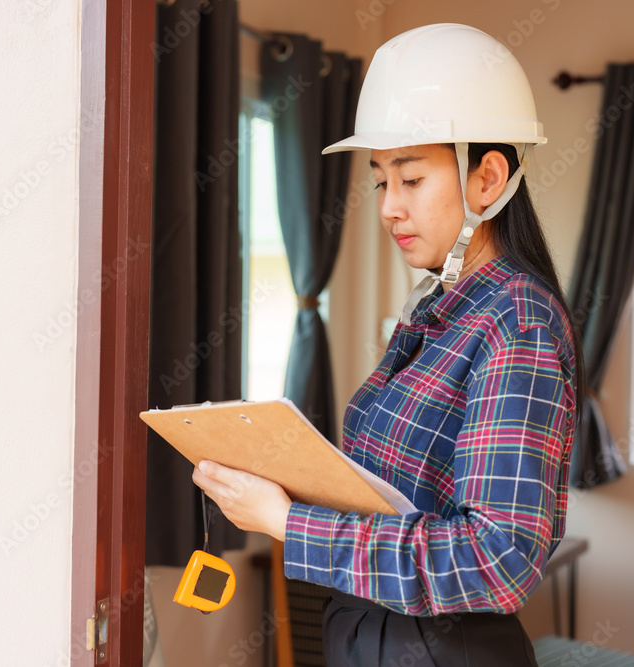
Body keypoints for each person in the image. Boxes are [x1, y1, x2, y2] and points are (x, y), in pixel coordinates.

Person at [193, 23, 584, 666]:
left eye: (410, 179)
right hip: (380, 638)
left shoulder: (517, 322)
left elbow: (499, 558)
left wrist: (290, 524)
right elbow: (399, 494)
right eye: (380, 181)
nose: (388, 209)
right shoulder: (442, 307)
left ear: (487, 180)